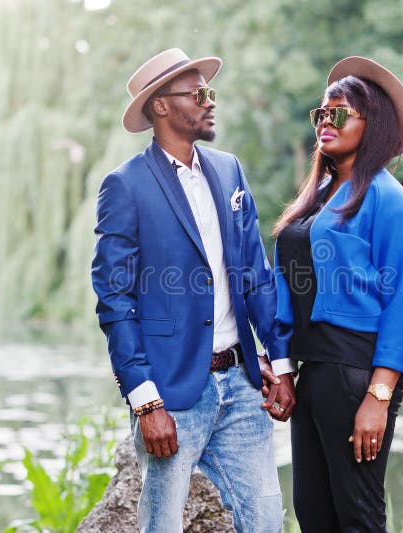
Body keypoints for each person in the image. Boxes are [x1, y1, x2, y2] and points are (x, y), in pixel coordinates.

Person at [91, 48, 296, 533]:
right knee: (161, 525)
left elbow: (256, 274)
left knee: (266, 521)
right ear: (161, 106)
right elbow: (114, 299)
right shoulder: (125, 186)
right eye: (199, 93)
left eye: (211, 92)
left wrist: (282, 362)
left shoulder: (229, 170)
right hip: (172, 392)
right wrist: (145, 400)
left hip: (244, 386)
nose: (211, 103)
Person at [272, 56, 403, 532]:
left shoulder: (397, 207)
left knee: (357, 517)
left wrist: (379, 397)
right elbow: (286, 286)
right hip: (313, 373)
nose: (327, 121)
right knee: (314, 514)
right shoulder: (316, 197)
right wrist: (281, 366)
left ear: (373, 123)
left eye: (340, 112)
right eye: (321, 113)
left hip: (358, 374)